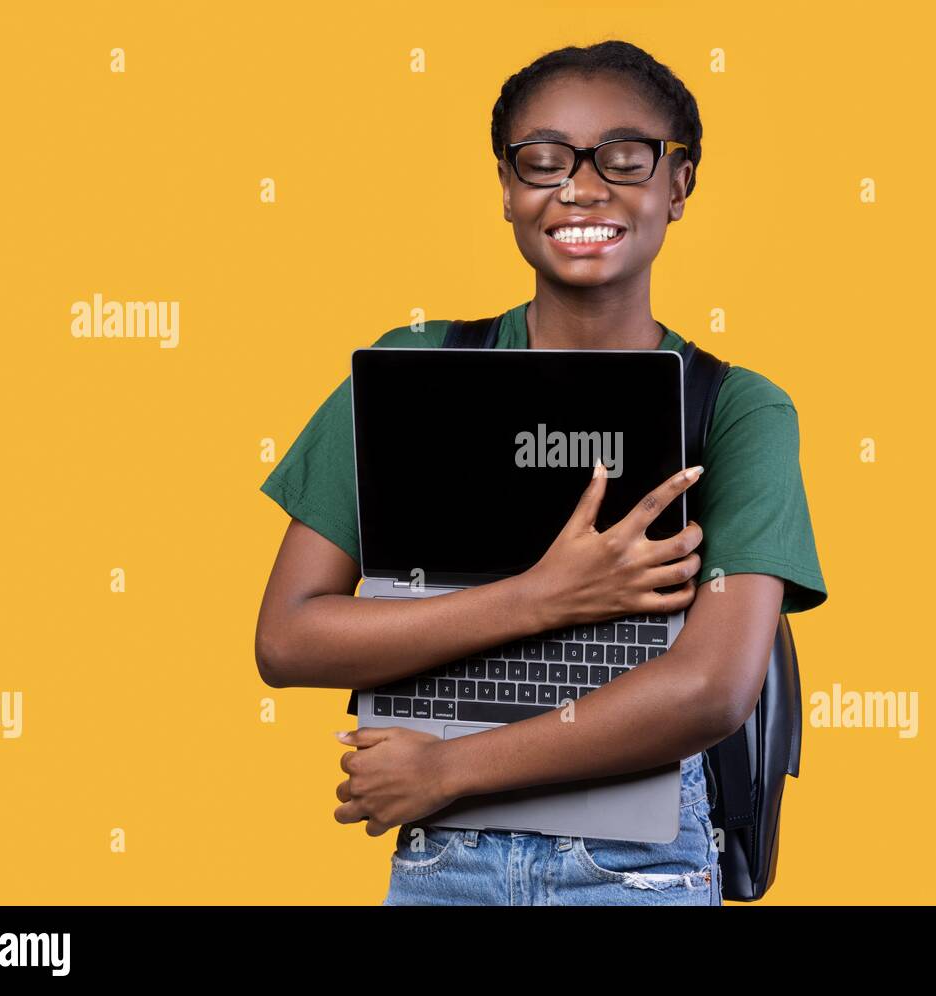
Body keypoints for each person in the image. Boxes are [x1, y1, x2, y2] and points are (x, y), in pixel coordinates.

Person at [255, 39, 828, 905]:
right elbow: (289, 637)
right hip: (446, 861)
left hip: (637, 867)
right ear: (508, 188)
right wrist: (544, 598)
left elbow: (710, 689)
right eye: (545, 159)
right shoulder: (412, 372)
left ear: (679, 185)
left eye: (626, 158)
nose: (582, 187)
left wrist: (448, 767)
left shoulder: (736, 409)